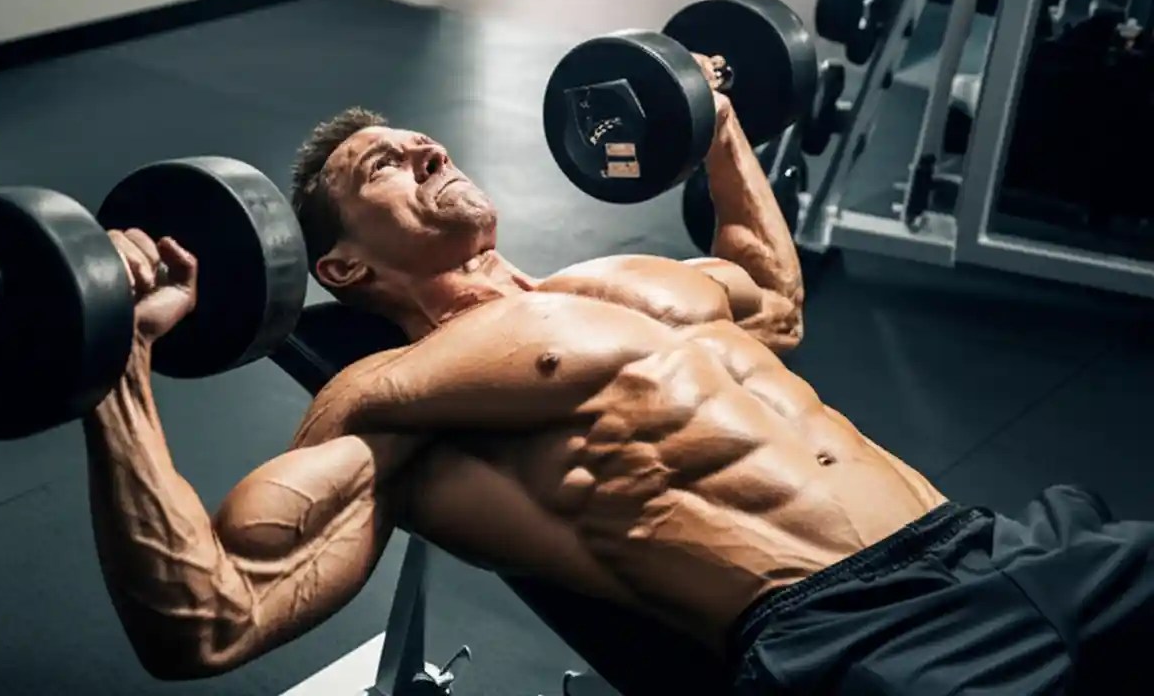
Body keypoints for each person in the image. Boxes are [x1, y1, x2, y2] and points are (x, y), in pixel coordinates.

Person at [84, 54, 1153, 694]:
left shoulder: (628, 281)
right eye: (384, 166)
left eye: (424, 143)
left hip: (1000, 545)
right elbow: (212, 617)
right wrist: (115, 359)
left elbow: (771, 297)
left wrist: (716, 126)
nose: (426, 153)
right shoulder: (395, 401)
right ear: (343, 267)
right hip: (862, 639)